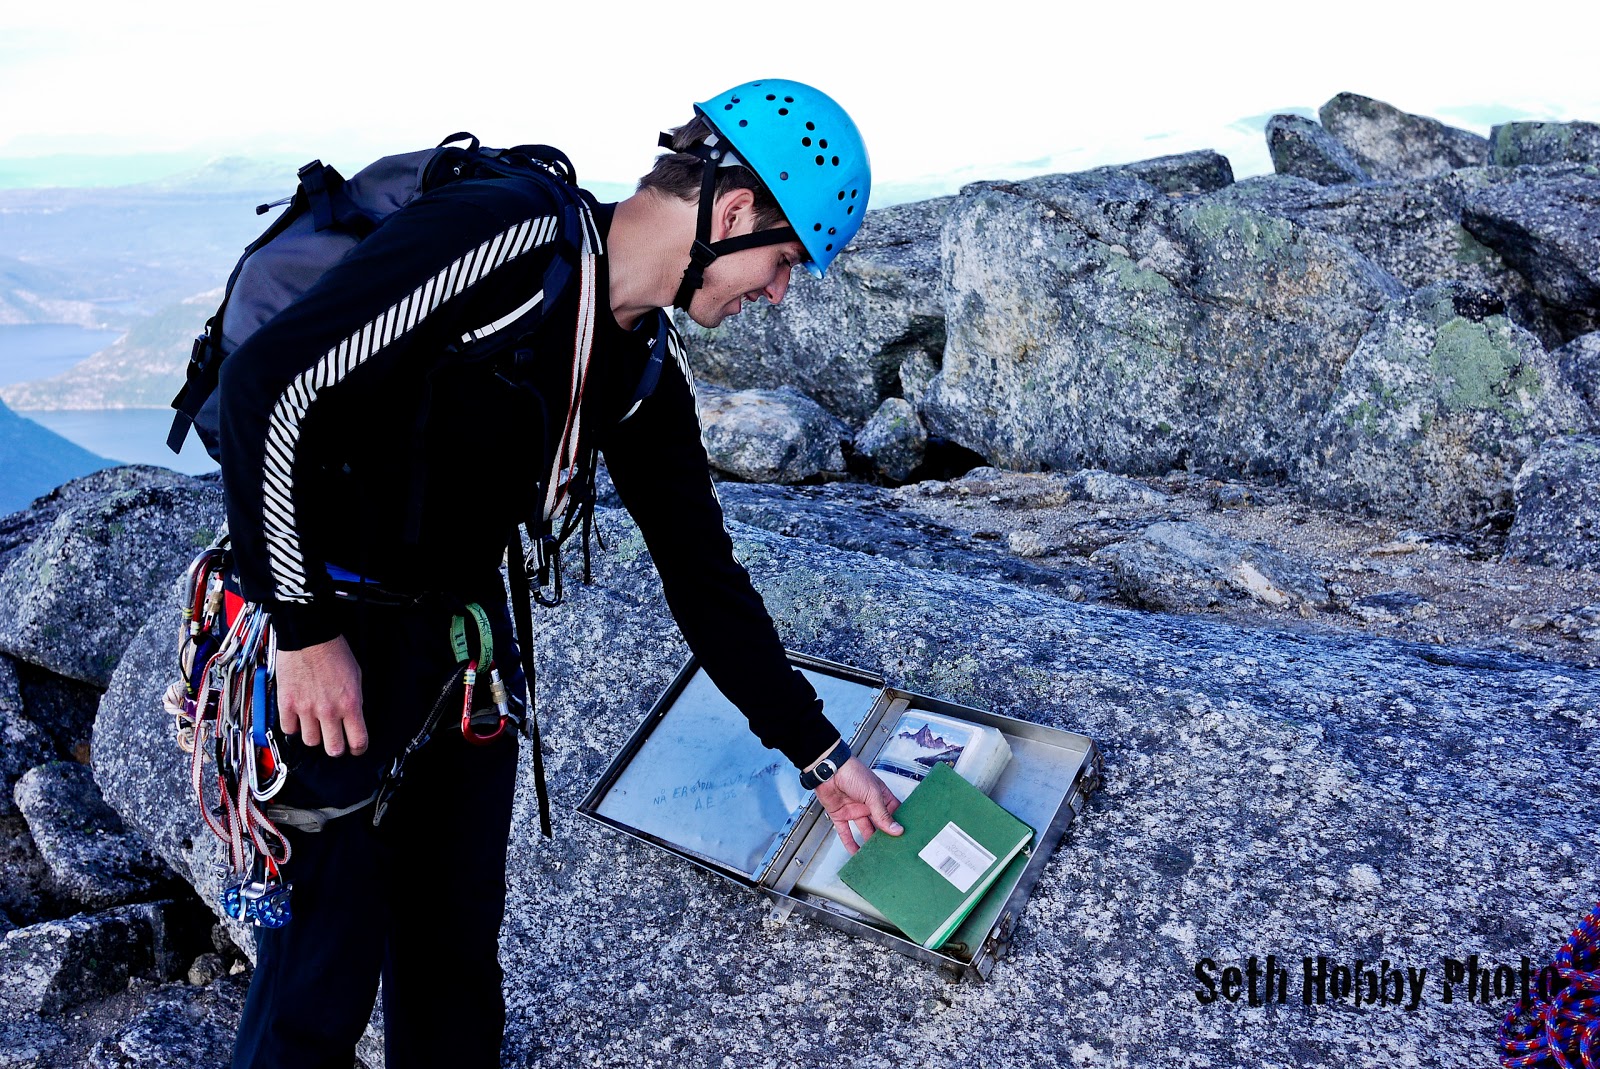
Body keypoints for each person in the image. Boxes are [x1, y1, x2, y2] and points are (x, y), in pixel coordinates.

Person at [218, 79, 902, 1069]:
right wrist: (305, 633)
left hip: (464, 651)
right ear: (733, 211)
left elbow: (704, 577)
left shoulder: (639, 366)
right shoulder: (506, 238)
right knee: (315, 983)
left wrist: (821, 756)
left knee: (454, 965)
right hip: (337, 629)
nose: (777, 292)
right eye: (784, 260)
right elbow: (267, 384)